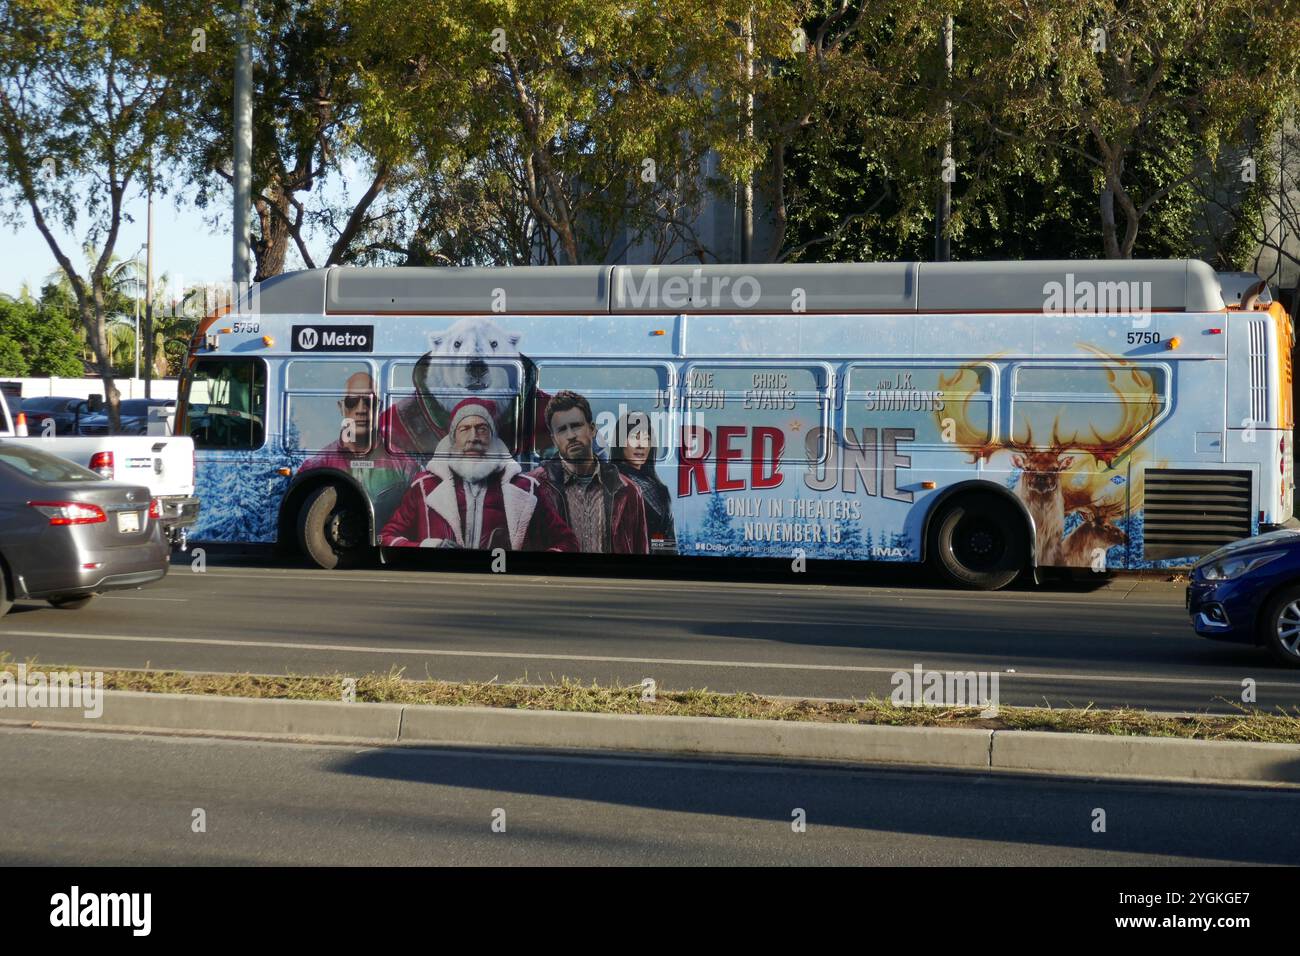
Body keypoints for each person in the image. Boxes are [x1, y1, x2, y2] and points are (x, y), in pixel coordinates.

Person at [379, 397, 577, 552]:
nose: (473, 438)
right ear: (453, 438)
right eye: (465, 429)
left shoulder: (526, 488)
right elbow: (388, 537)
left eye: (482, 429)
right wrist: (428, 547)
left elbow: (567, 542)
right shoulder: (425, 487)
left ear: (492, 438)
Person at [527, 391, 649, 554]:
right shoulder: (534, 487)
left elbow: (641, 554)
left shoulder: (629, 491)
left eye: (576, 426)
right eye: (562, 430)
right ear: (554, 439)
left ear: (592, 429)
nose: (571, 436)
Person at [298, 372, 417, 527]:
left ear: (379, 407)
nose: (361, 409)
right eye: (352, 401)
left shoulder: (407, 467)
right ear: (341, 407)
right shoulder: (316, 465)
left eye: (369, 402)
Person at [610, 410, 676, 555]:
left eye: (646, 439)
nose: (641, 445)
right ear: (620, 443)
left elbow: (667, 543)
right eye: (634, 438)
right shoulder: (612, 484)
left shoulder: (659, 489)